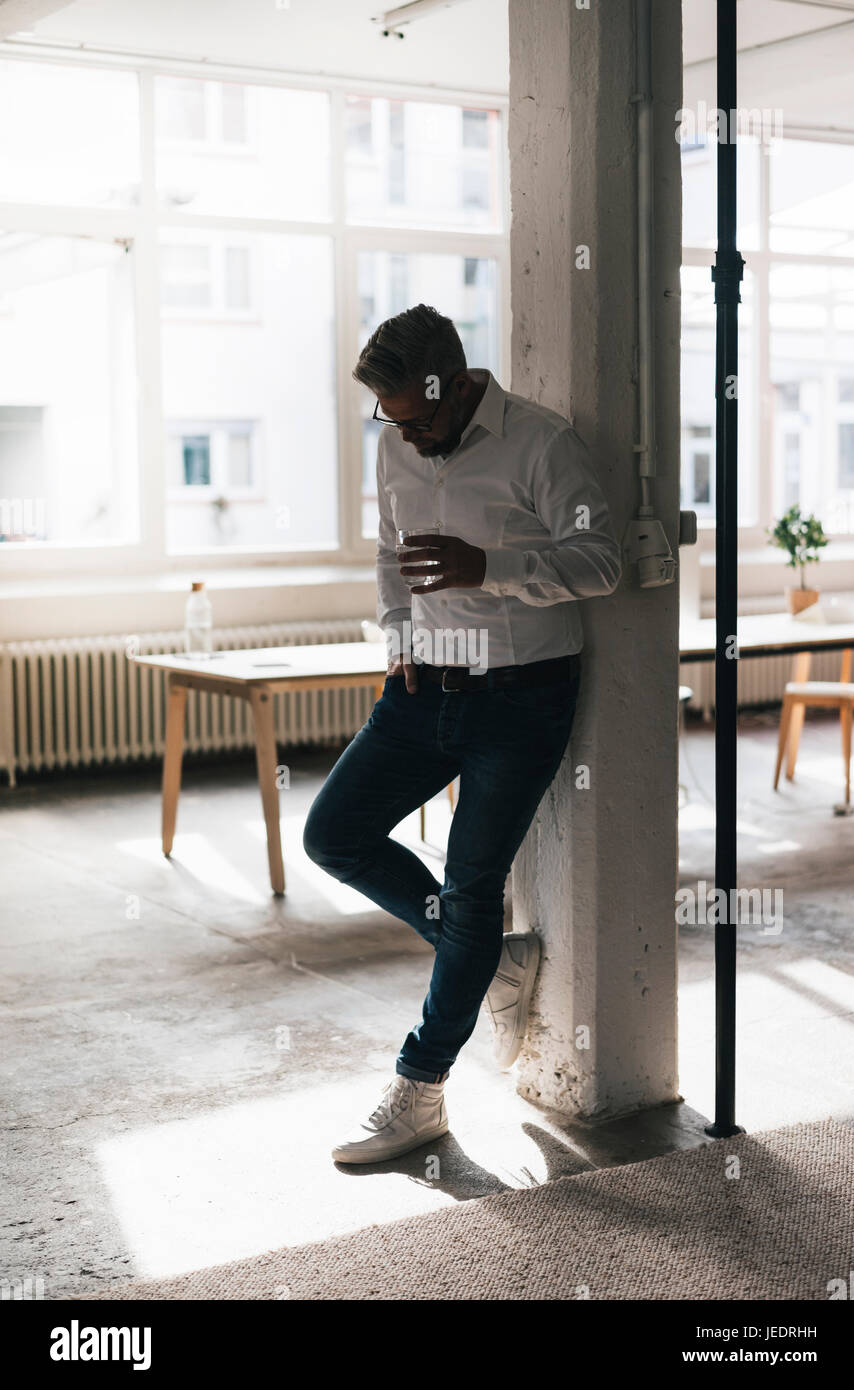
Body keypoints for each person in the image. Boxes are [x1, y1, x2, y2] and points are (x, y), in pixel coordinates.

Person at [303, 304, 621, 1163]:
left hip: (520, 696)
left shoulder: (541, 444)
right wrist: (401, 634)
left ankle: (420, 1090)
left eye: (421, 417)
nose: (409, 435)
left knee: (472, 887)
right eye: (393, 421)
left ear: (455, 380)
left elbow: (603, 563)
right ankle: (484, 959)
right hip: (422, 686)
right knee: (333, 834)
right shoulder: (395, 443)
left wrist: (494, 569)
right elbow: (387, 555)